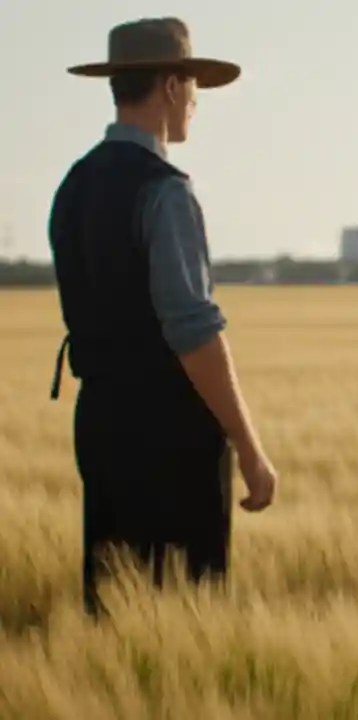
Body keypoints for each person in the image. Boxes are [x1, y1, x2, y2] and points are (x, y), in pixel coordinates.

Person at [48, 17, 278, 615]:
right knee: (188, 610)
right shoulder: (166, 191)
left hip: (100, 424)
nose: (197, 106)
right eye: (194, 89)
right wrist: (249, 449)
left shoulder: (72, 188)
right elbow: (194, 334)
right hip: (172, 440)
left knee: (113, 608)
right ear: (173, 87)